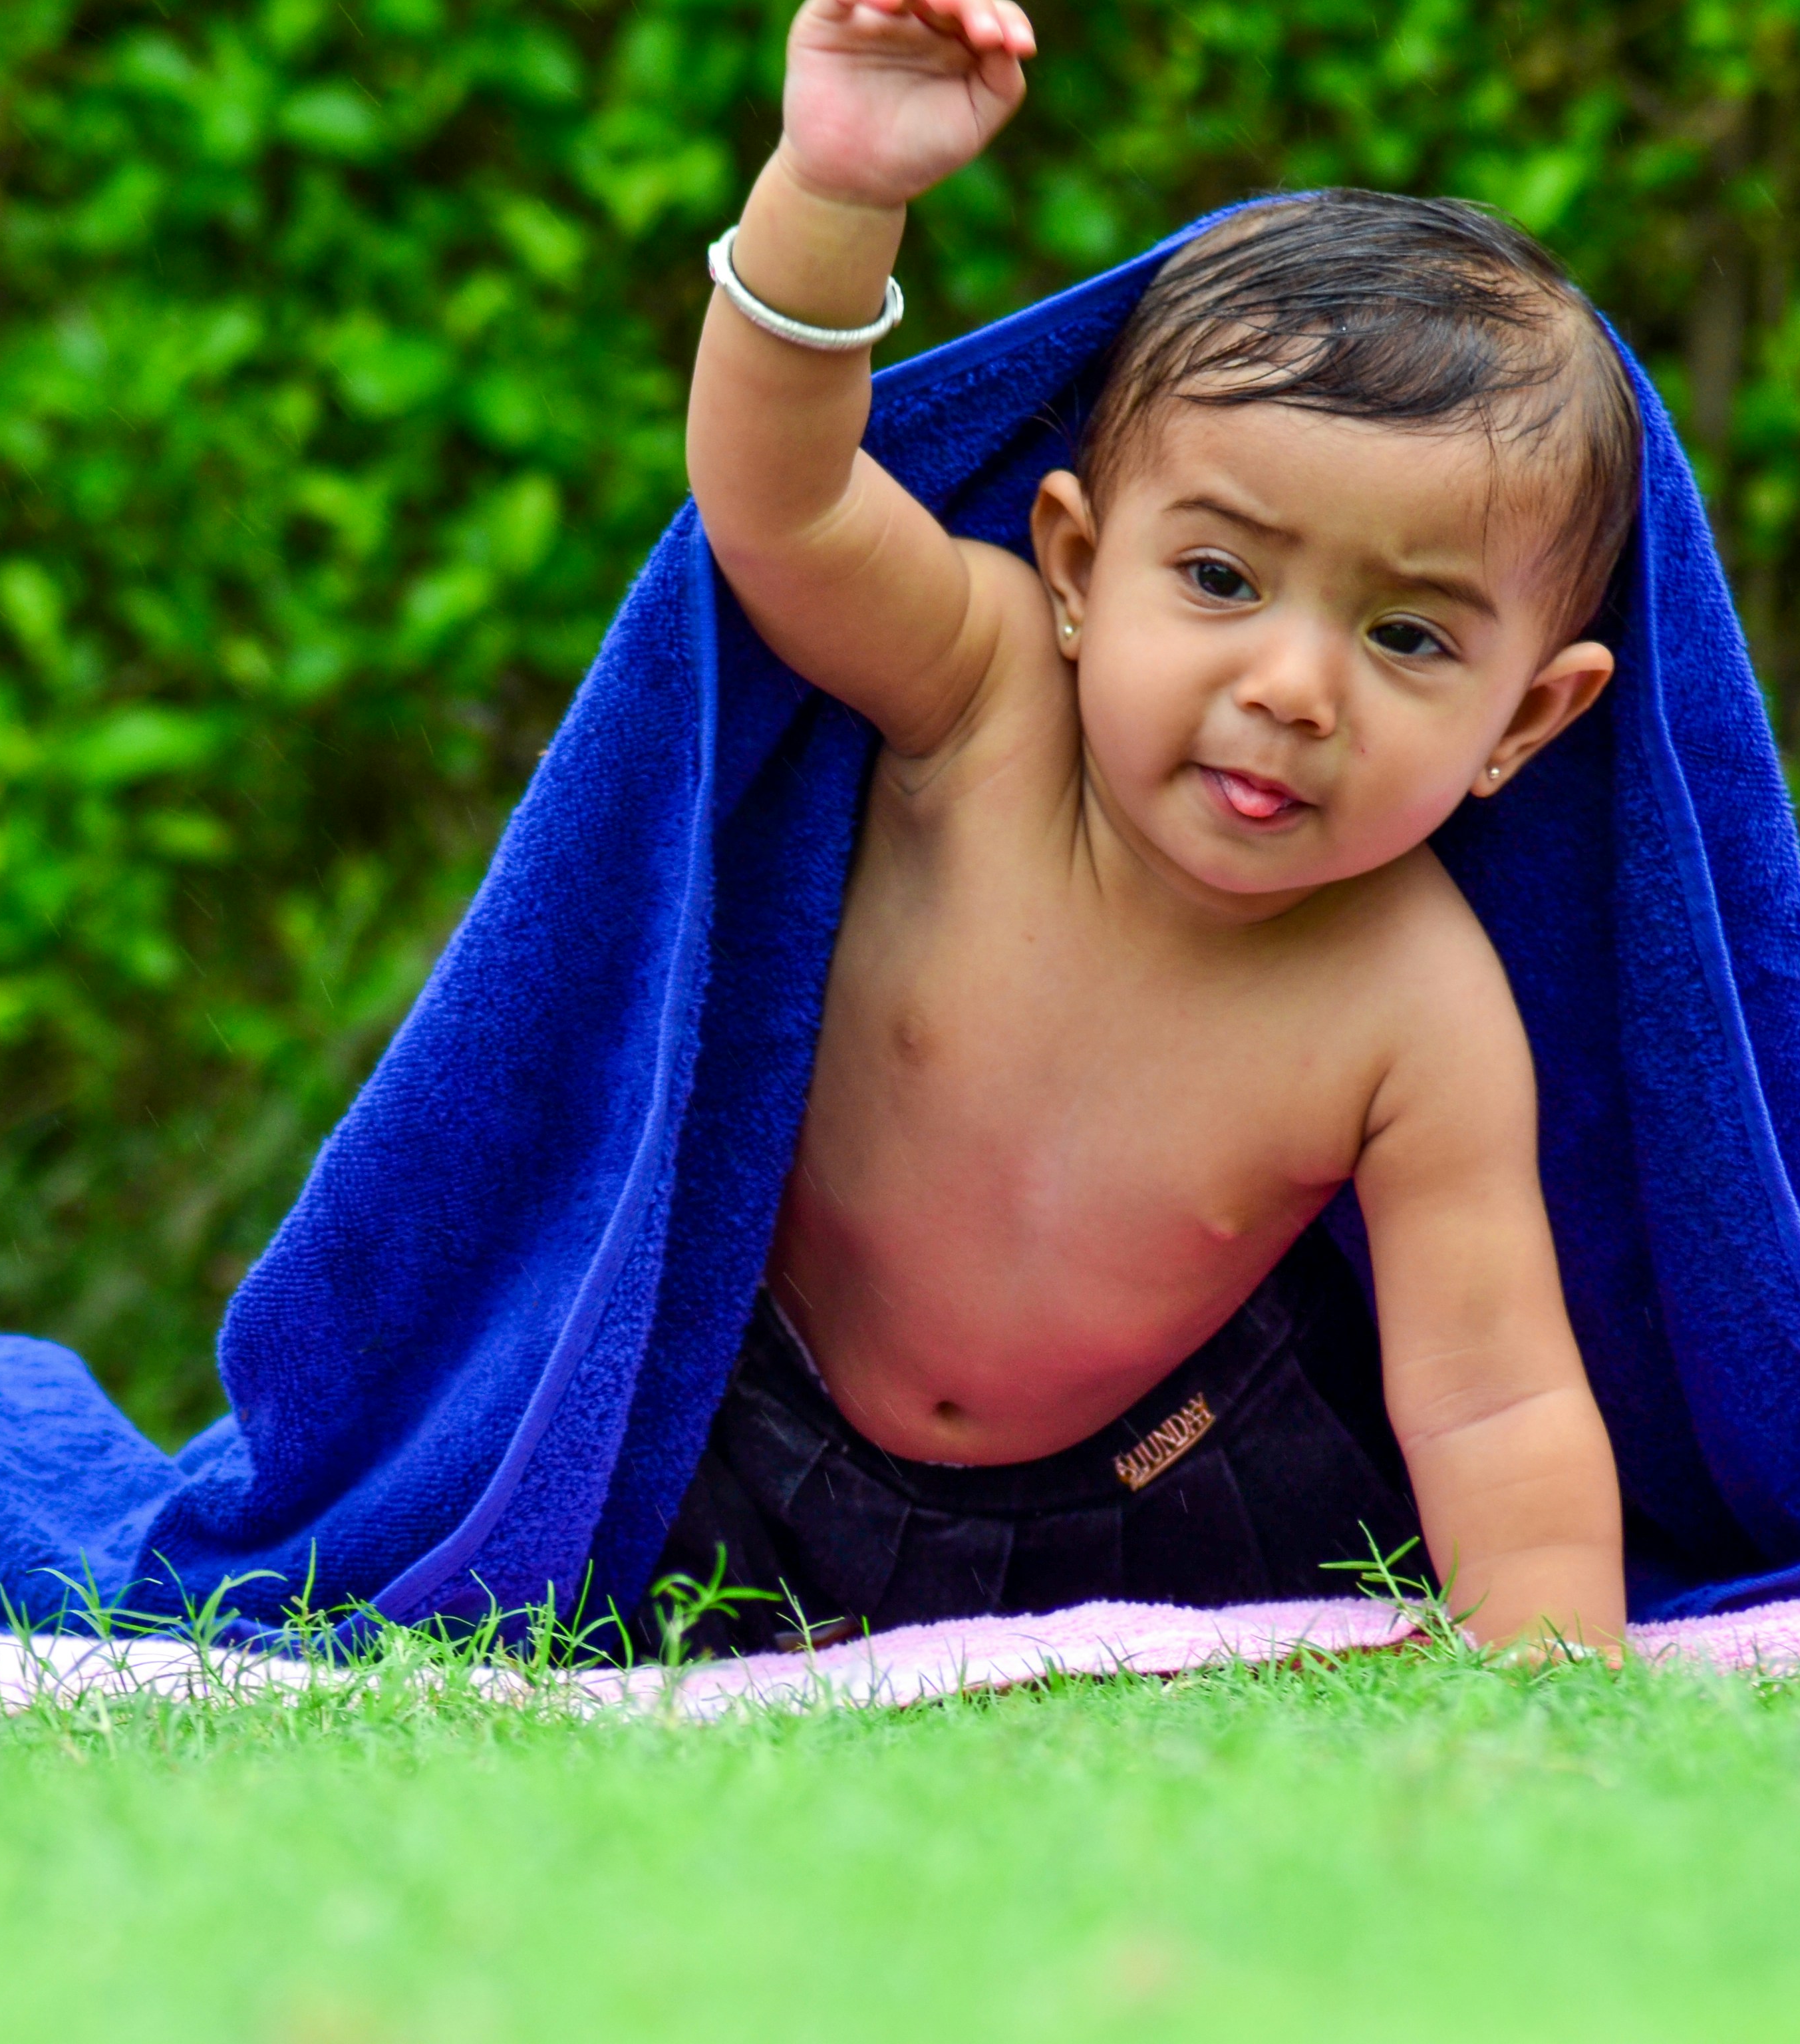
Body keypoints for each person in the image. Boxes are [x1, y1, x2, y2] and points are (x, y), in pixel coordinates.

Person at [653, 0, 1634, 1656]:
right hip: (752, 1441)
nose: (1294, 685)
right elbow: (781, 501)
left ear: (1527, 722)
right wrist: (834, 185)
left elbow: (1493, 1397)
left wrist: (1559, 1700)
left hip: (1181, 1491)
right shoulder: (980, 698)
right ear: (1074, 568)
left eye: (1409, 637)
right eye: (1222, 578)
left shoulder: (1418, 1005)